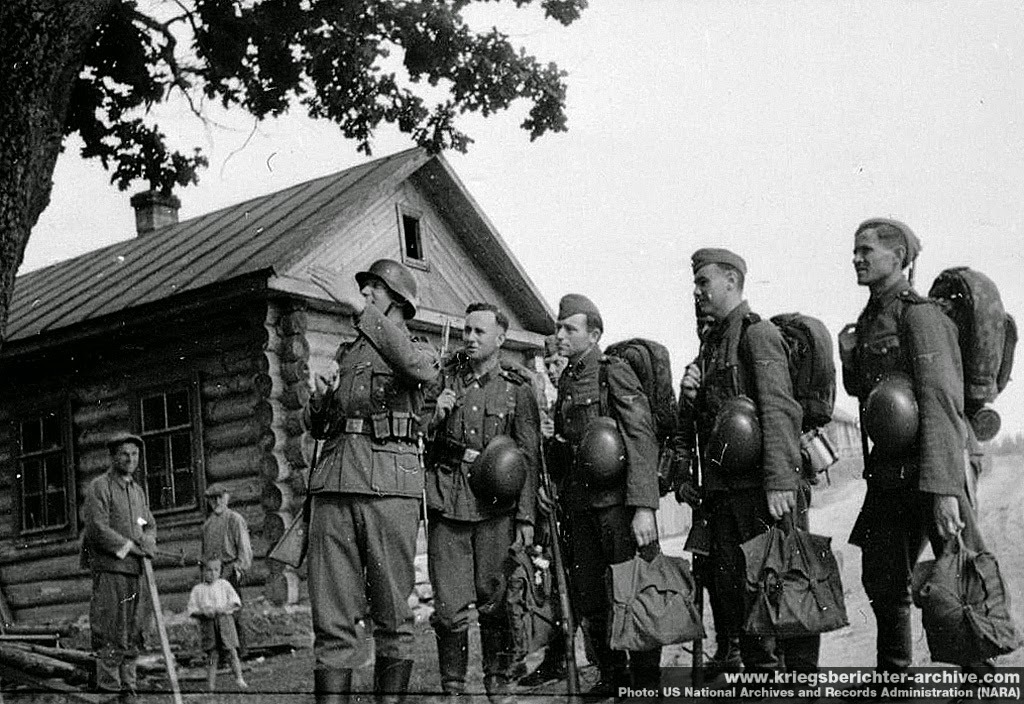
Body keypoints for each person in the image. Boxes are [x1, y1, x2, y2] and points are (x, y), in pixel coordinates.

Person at [841, 219, 987, 680]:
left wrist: (944, 490)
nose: (857, 258)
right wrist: (848, 357)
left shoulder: (920, 316)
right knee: (882, 580)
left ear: (898, 257)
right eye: (855, 251)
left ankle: (980, 679)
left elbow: (942, 404)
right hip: (889, 474)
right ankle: (894, 681)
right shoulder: (868, 321)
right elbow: (872, 399)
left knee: (958, 578)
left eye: (866, 250)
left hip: (931, 470)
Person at [678, 248, 818, 674]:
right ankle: (761, 682)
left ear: (732, 281)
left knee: (787, 592)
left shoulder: (757, 336)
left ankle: (800, 688)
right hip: (725, 496)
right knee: (743, 598)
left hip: (762, 491)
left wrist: (780, 483)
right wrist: (691, 396)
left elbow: (780, 410)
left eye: (704, 282)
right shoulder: (712, 345)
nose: (697, 291)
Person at [304, 258, 439, 704]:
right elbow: (320, 426)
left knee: (393, 615)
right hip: (336, 486)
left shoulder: (417, 348)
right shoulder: (347, 354)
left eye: (373, 290)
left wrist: (365, 317)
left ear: (399, 300)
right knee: (331, 620)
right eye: (362, 290)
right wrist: (321, 399)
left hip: (388, 490)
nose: (362, 295)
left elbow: (417, 369)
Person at [546, 293, 662, 698]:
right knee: (593, 599)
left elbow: (640, 436)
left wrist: (644, 507)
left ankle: (646, 684)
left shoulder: (612, 371)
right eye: (559, 327)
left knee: (634, 593)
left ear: (593, 334)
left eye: (569, 328)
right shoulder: (565, 379)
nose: (560, 334)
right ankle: (613, 675)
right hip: (579, 508)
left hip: (617, 507)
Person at [425, 302, 540, 703]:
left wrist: (526, 517)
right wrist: (436, 416)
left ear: (500, 338)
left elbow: (528, 456)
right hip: (448, 502)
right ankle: (453, 689)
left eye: (479, 332)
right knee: (449, 606)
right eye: (466, 331)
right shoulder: (443, 379)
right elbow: (418, 434)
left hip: (496, 505)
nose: (470, 338)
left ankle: (498, 679)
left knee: (495, 598)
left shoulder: (516, 388)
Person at [81, 432, 157, 702]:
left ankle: (129, 690)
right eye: (125, 454)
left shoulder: (136, 491)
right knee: (111, 631)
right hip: (111, 570)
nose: (130, 459)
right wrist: (130, 546)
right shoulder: (100, 487)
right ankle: (110, 692)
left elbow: (147, 523)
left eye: (135, 454)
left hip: (135, 571)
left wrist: (148, 541)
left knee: (133, 631)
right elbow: (97, 529)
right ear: (113, 456)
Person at [201, 484, 253, 657]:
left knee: (233, 612)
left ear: (226, 498)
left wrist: (239, 568)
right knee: (216, 614)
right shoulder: (207, 525)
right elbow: (205, 552)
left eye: (219, 497)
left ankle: (239, 652)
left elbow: (244, 548)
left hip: (230, 569)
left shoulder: (234, 519)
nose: (216, 502)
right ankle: (223, 653)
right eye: (212, 498)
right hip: (213, 572)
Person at [187, 558, 248, 692]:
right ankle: (211, 685)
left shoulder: (224, 584)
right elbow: (192, 609)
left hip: (225, 620)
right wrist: (203, 612)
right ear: (202, 571)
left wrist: (224, 607)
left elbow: (235, 602)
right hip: (208, 624)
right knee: (212, 655)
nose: (212, 573)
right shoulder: (198, 589)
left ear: (220, 571)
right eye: (209, 570)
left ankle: (239, 678)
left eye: (216, 570)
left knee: (231, 651)